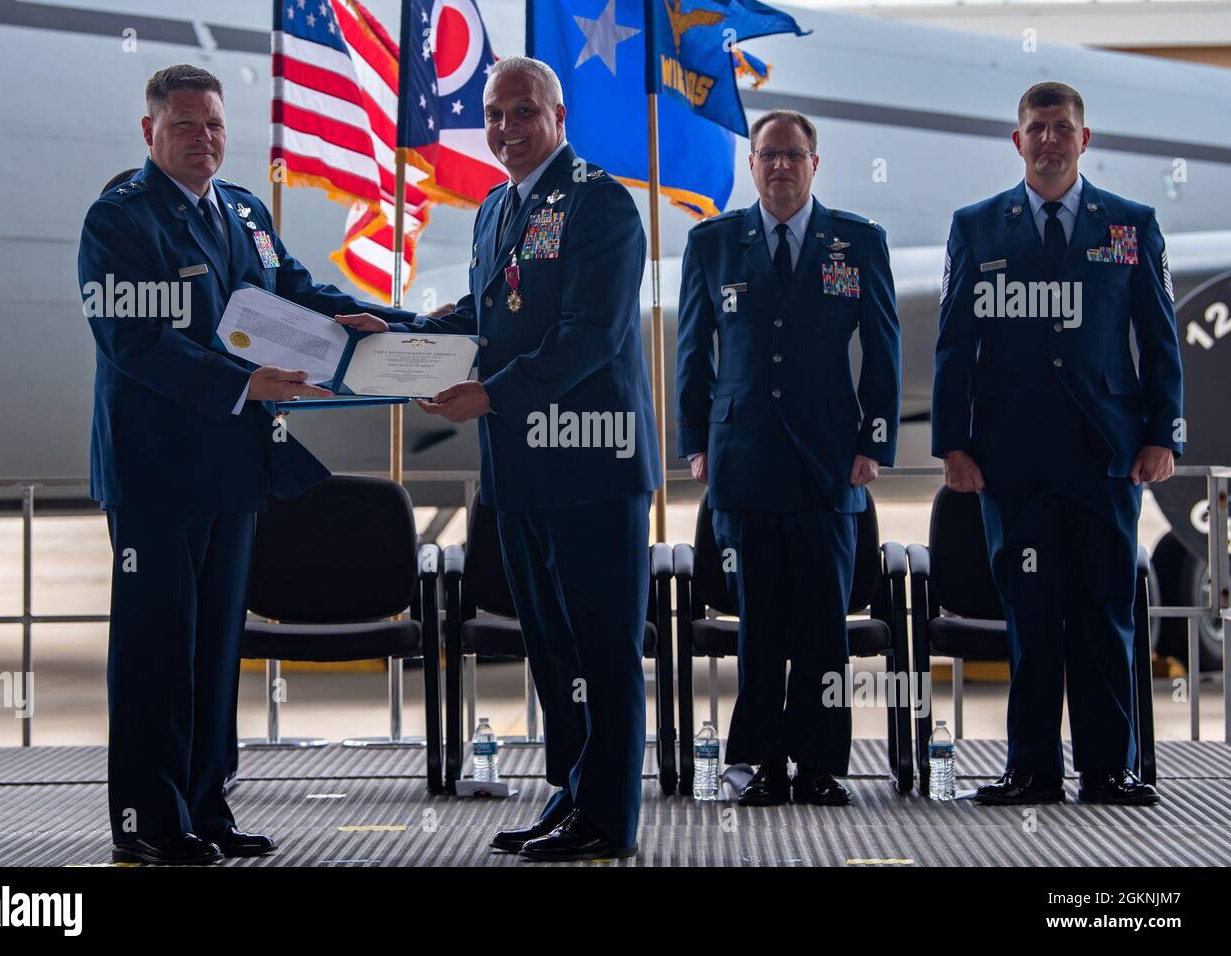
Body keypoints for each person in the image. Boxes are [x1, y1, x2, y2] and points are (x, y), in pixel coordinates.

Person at [78, 64, 412, 864]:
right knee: (158, 647)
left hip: (232, 470)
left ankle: (206, 807)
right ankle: (149, 823)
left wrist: (376, 322)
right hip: (157, 476)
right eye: (187, 126)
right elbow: (135, 344)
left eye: (215, 126)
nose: (205, 140)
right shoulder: (121, 221)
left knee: (214, 644)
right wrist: (244, 382)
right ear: (150, 132)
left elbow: (288, 292)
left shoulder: (243, 213)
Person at [338, 56, 660, 861]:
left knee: (601, 647)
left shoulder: (601, 202)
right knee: (551, 645)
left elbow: (590, 335)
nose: (506, 130)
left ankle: (608, 818)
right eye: (494, 115)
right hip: (520, 470)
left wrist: (492, 394)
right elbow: (483, 311)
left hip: (591, 465)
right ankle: (569, 793)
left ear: (557, 113)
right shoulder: (497, 208)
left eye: (523, 113)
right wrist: (401, 332)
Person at [932, 81, 1184, 806]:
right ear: (1018, 141)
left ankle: (1109, 768)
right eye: (1037, 128)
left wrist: (1162, 434)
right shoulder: (977, 227)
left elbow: (1160, 342)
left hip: (1106, 456)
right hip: (1012, 462)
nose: (1049, 139)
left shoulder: (1130, 226)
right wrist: (954, 444)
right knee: (1033, 615)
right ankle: (1032, 769)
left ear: (1084, 139)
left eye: (1062, 128)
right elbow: (954, 346)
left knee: (1104, 614)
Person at [675, 110, 901, 806]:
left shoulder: (857, 242)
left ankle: (823, 764)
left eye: (793, 155)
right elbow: (691, 354)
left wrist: (875, 442)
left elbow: (883, 349)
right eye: (768, 155)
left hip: (830, 463)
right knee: (762, 625)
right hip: (742, 462)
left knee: (824, 626)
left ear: (814, 163)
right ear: (753, 166)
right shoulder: (712, 244)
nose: (780, 166)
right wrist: (695, 442)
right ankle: (762, 763)